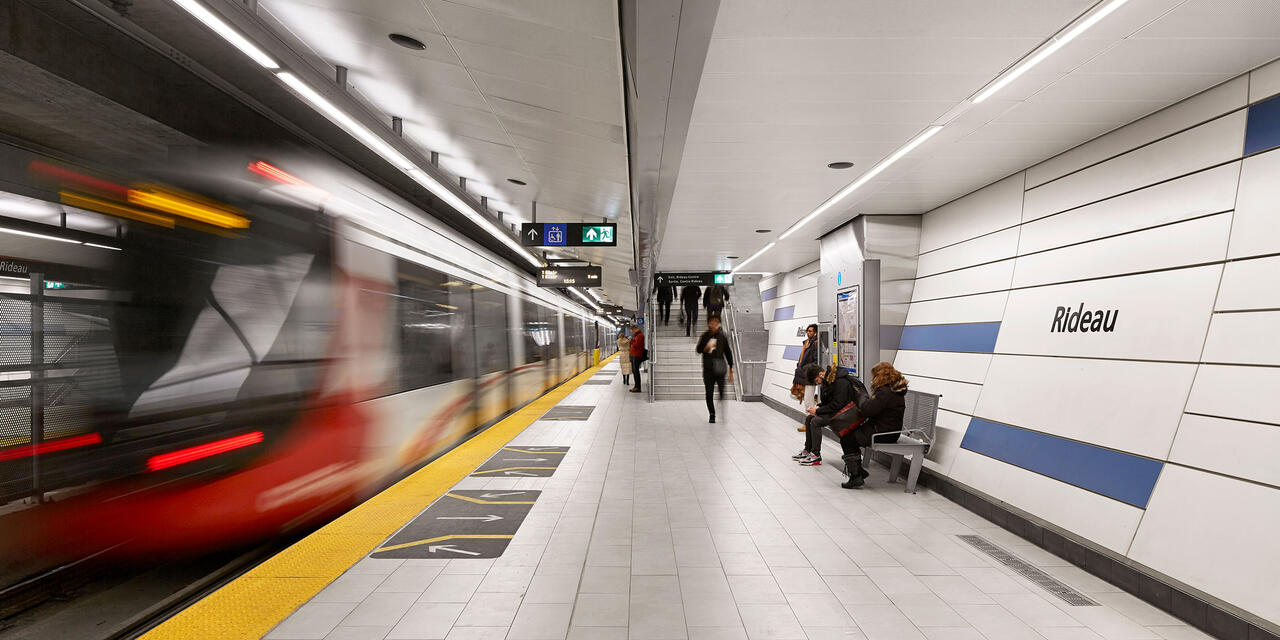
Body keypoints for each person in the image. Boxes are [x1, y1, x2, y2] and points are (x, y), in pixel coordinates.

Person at [838, 362, 909, 489]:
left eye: (874, 376)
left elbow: (868, 410)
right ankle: (858, 472)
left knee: (847, 439)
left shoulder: (885, 392)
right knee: (849, 436)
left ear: (880, 376)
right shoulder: (893, 389)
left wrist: (862, 398)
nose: (872, 379)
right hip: (888, 430)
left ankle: (856, 476)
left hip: (882, 432)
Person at [793, 364, 859, 466]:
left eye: (816, 381)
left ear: (821, 374)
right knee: (809, 418)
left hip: (845, 413)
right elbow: (828, 402)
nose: (817, 383)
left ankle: (816, 455)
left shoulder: (840, 381)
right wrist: (818, 407)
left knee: (815, 421)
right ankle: (808, 450)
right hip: (837, 410)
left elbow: (838, 404)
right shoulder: (827, 382)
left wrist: (818, 411)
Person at [694, 314, 734, 423]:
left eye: (716, 322)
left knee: (722, 392)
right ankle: (712, 414)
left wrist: (731, 369)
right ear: (708, 323)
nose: (714, 324)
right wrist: (705, 348)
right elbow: (697, 350)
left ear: (719, 324)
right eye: (712, 322)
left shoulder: (722, 336)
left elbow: (728, 353)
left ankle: (720, 404)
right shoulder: (705, 336)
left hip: (720, 369)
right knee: (709, 393)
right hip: (708, 370)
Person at [791, 324, 821, 432]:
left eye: (811, 331)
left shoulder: (815, 344)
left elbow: (816, 361)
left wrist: (805, 368)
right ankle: (809, 421)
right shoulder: (807, 343)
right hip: (804, 374)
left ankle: (809, 423)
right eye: (807, 331)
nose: (809, 333)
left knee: (808, 400)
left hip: (810, 375)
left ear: (815, 332)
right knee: (806, 399)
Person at [628, 324, 646, 393]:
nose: (631, 332)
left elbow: (637, 345)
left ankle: (638, 387)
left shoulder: (640, 336)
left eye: (632, 331)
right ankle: (635, 386)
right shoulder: (636, 336)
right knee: (634, 371)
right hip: (634, 355)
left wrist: (631, 341)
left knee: (636, 372)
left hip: (637, 355)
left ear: (635, 329)